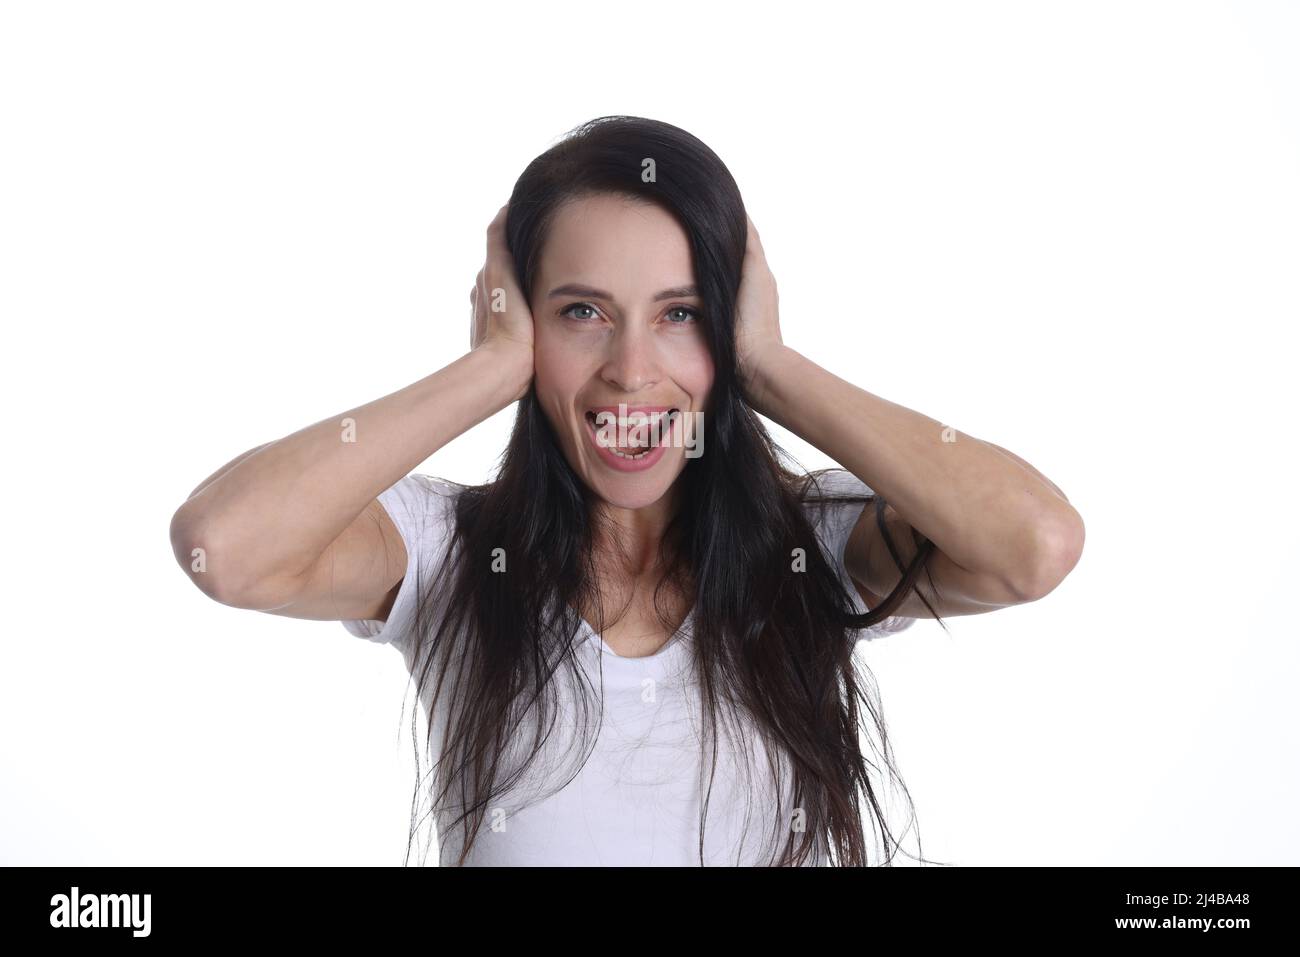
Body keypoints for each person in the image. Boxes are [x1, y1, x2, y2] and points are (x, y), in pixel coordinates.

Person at [170, 115, 1084, 867]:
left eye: (680, 314)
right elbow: (226, 545)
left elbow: (1034, 545)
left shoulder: (814, 551)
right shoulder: (450, 552)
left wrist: (771, 366)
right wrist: (489, 371)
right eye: (582, 313)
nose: (631, 371)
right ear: (527, 321)